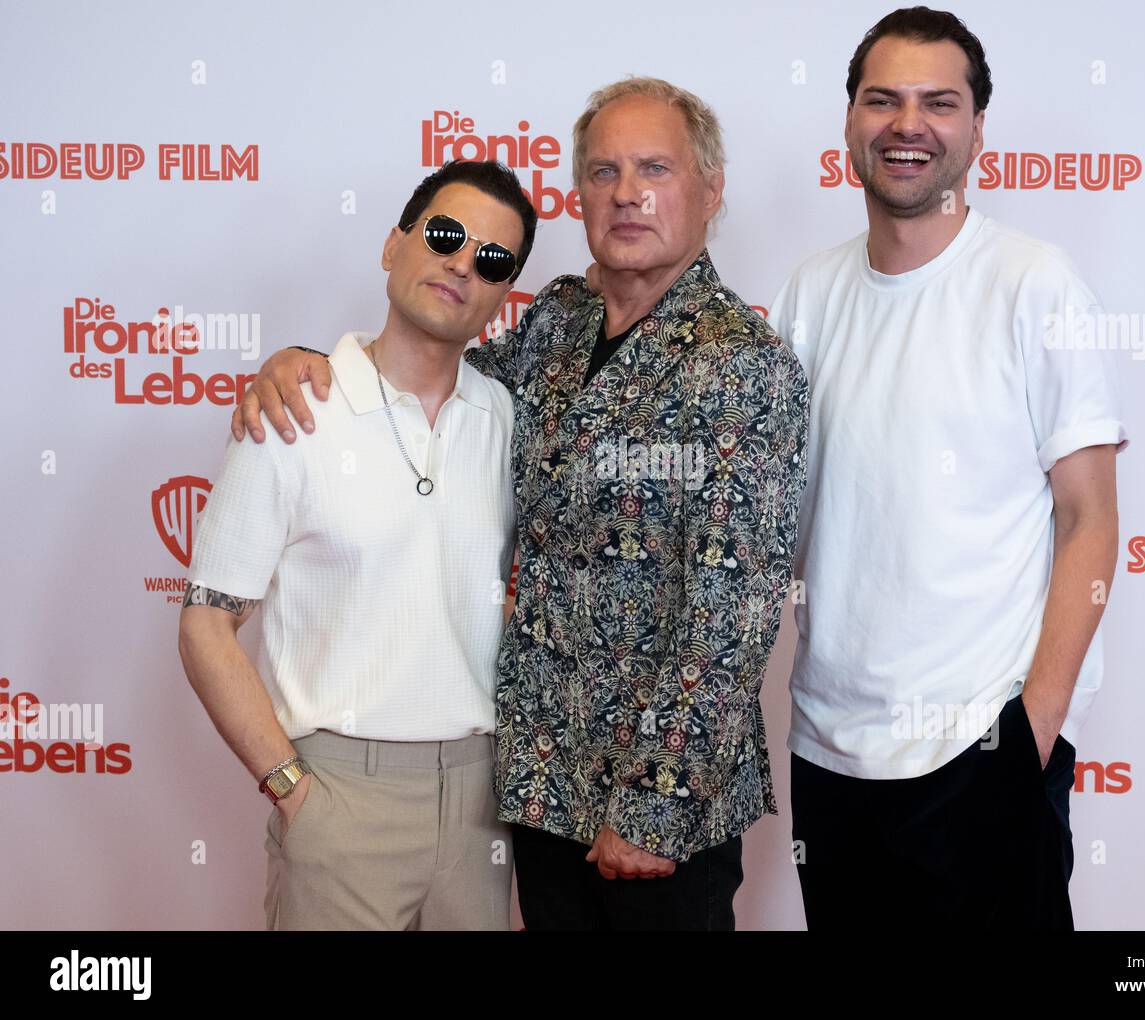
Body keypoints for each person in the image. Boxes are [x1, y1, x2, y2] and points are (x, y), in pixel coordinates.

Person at [230, 78, 811, 931]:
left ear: (710, 191)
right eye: (604, 171)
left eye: (655, 168)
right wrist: (308, 360)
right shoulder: (557, 326)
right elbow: (429, 390)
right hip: (540, 793)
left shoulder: (742, 365)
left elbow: (733, 612)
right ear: (579, 193)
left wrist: (652, 807)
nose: (627, 193)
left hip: (657, 820)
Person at [771, 7, 1126, 930]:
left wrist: (1029, 735)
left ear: (976, 129)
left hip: (982, 754)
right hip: (831, 755)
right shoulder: (808, 294)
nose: (908, 124)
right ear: (849, 121)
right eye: (883, 99)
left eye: (939, 102)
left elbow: (1089, 521)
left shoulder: (1033, 282)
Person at [178, 159, 537, 930]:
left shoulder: (510, 420)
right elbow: (206, 621)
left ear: (505, 294)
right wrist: (294, 791)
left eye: (492, 259)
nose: (461, 264)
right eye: (445, 235)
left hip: (482, 807)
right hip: (338, 797)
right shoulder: (296, 409)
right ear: (392, 245)